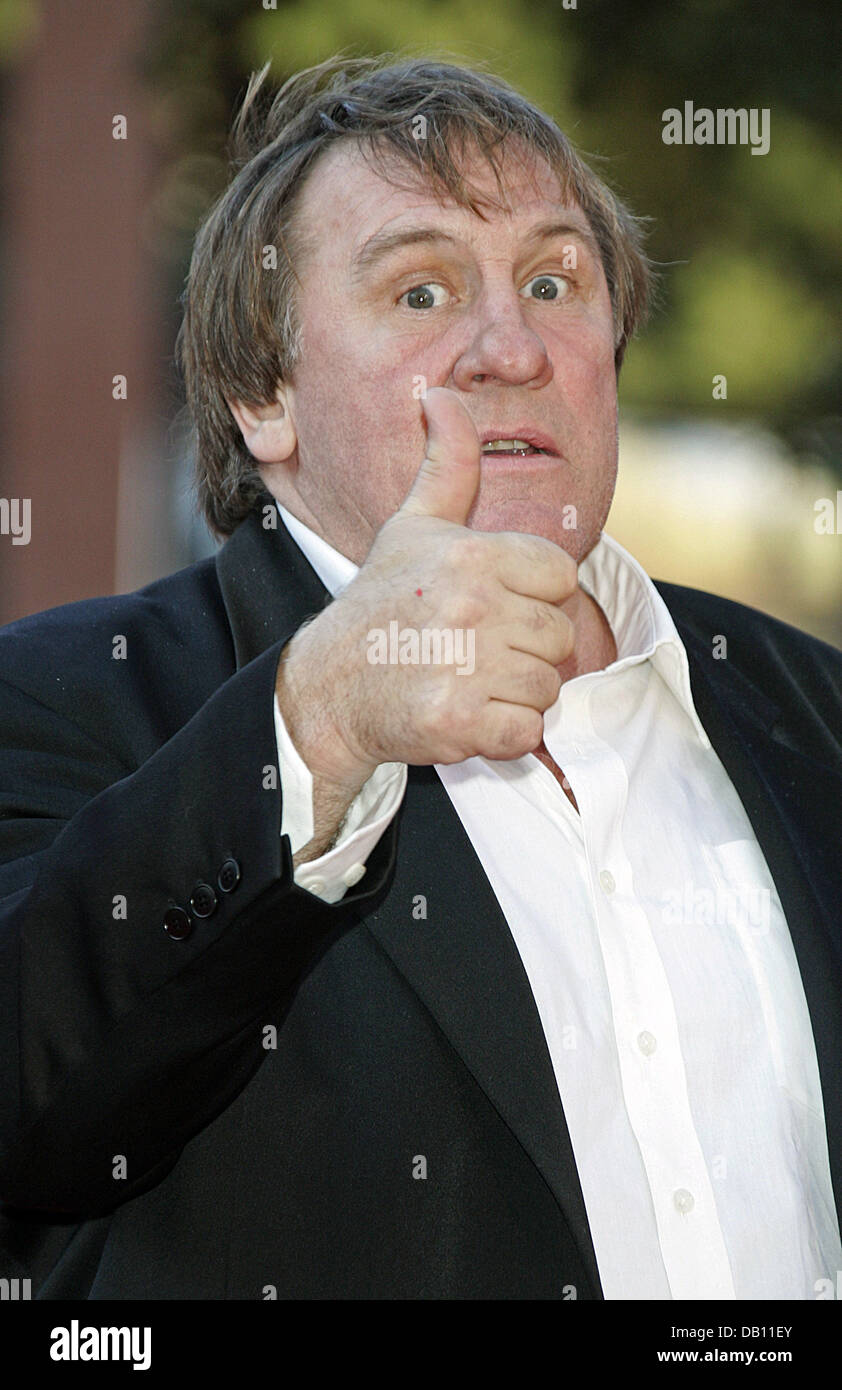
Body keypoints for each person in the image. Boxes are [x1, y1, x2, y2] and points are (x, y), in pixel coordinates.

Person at [1, 54, 840, 1301]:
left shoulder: (809, 707)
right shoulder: (72, 696)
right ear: (259, 397)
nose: (509, 347)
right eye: (420, 291)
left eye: (553, 281)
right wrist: (321, 723)